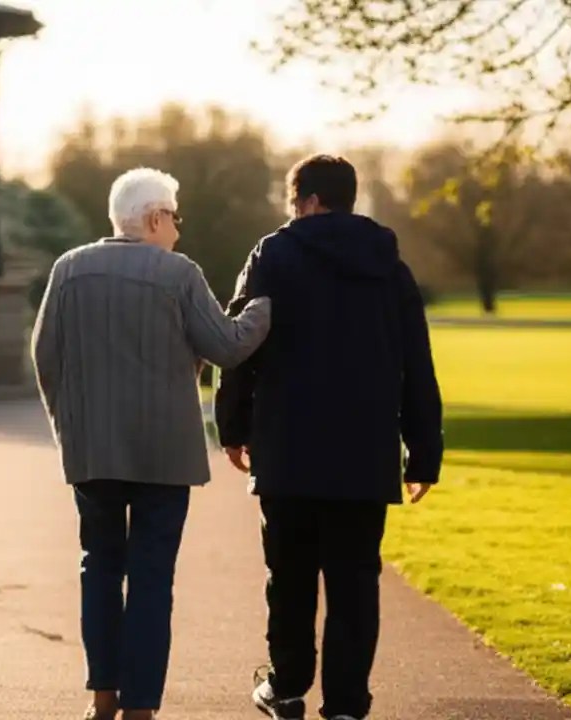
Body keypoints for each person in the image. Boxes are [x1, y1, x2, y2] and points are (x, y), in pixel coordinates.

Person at [31, 167, 272, 720]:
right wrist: (264, 305)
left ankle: (103, 698)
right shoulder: (178, 273)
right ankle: (142, 705)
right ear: (156, 218)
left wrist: (68, 429)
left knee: (99, 566)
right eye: (175, 219)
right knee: (150, 577)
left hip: (93, 453)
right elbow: (228, 346)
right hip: (163, 454)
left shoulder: (69, 270)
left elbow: (45, 357)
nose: (179, 232)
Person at [215, 154, 444, 720]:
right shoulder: (390, 267)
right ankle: (345, 704)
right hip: (364, 451)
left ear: (309, 200)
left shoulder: (272, 254)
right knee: (356, 584)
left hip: (287, 445)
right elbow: (417, 362)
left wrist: (233, 427)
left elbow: (239, 345)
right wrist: (424, 453)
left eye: (295, 203)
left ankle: (287, 686)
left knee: (288, 578)